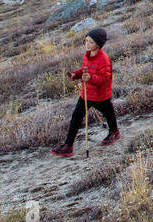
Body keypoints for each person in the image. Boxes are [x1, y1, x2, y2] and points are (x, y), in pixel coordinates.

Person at [51, 27, 119, 157]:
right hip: (86, 93)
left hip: (100, 95)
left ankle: (114, 132)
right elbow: (85, 69)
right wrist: (75, 75)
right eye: (86, 41)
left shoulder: (104, 59)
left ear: (99, 44)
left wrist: (91, 78)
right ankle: (68, 146)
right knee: (76, 117)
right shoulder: (87, 56)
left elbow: (105, 79)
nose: (87, 44)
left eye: (91, 42)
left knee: (108, 113)